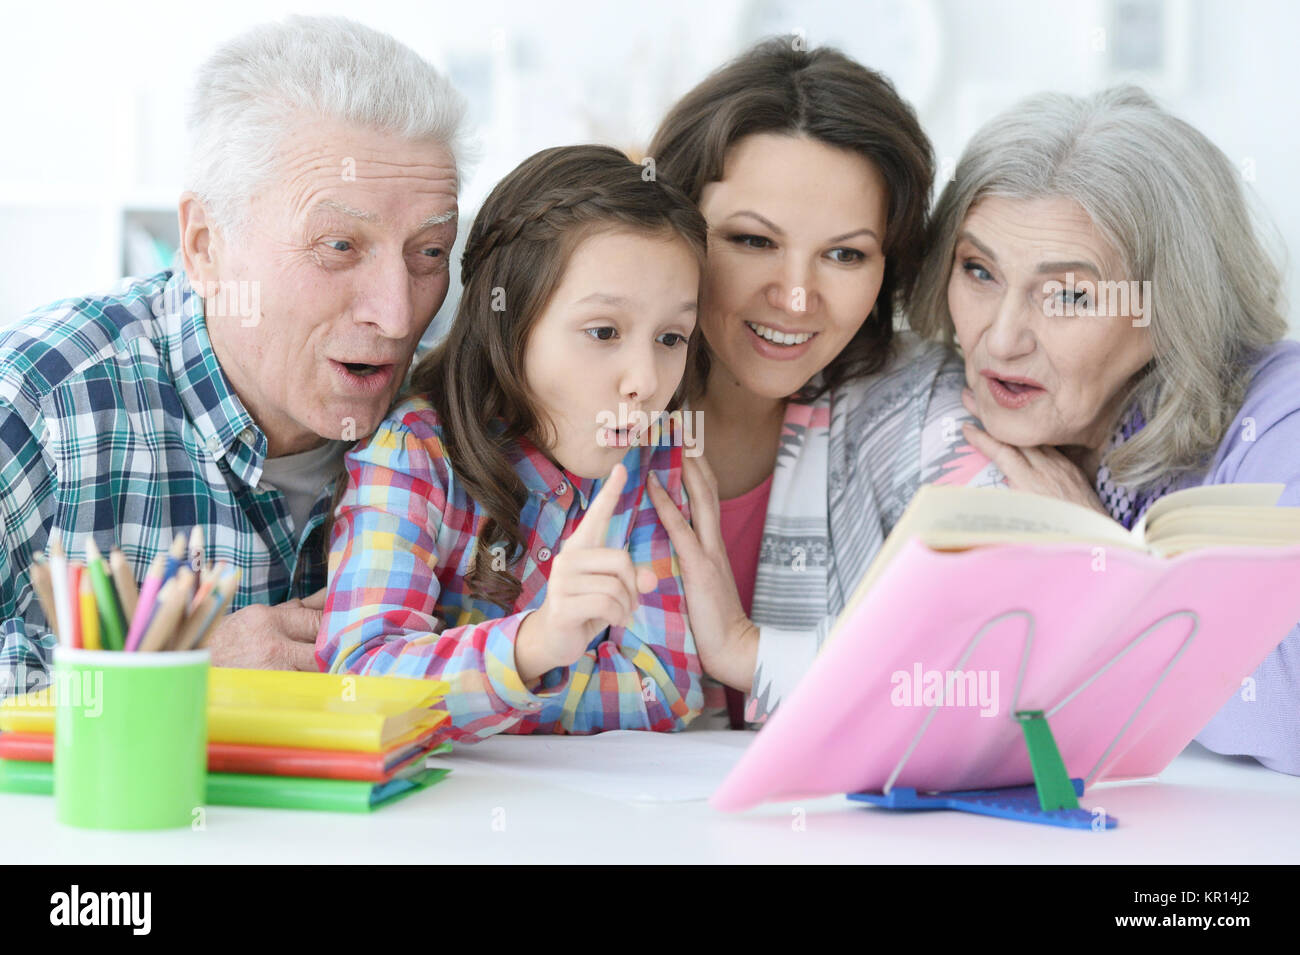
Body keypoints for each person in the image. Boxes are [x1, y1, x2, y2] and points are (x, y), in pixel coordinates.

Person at [0, 15, 468, 697]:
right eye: (339, 246)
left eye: (429, 254)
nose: (397, 315)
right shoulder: (41, 402)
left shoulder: (461, 422)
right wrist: (170, 672)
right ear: (204, 247)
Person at [909, 86, 1300, 774]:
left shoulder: (1280, 422)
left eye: (1068, 294)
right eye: (979, 271)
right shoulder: (944, 409)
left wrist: (1107, 572)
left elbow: (1290, 711)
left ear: (1174, 305)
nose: (1000, 338)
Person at [643, 37, 999, 727]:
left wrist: (748, 652)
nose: (797, 298)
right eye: (753, 241)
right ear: (673, 226)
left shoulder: (926, 409)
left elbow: (992, 679)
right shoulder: (585, 397)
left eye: (844, 253)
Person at [316, 145, 708, 740]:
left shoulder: (650, 458)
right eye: (603, 331)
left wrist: (469, 697)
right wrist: (537, 645)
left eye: (672, 337)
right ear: (508, 321)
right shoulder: (413, 455)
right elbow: (361, 685)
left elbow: (668, 691)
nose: (646, 382)